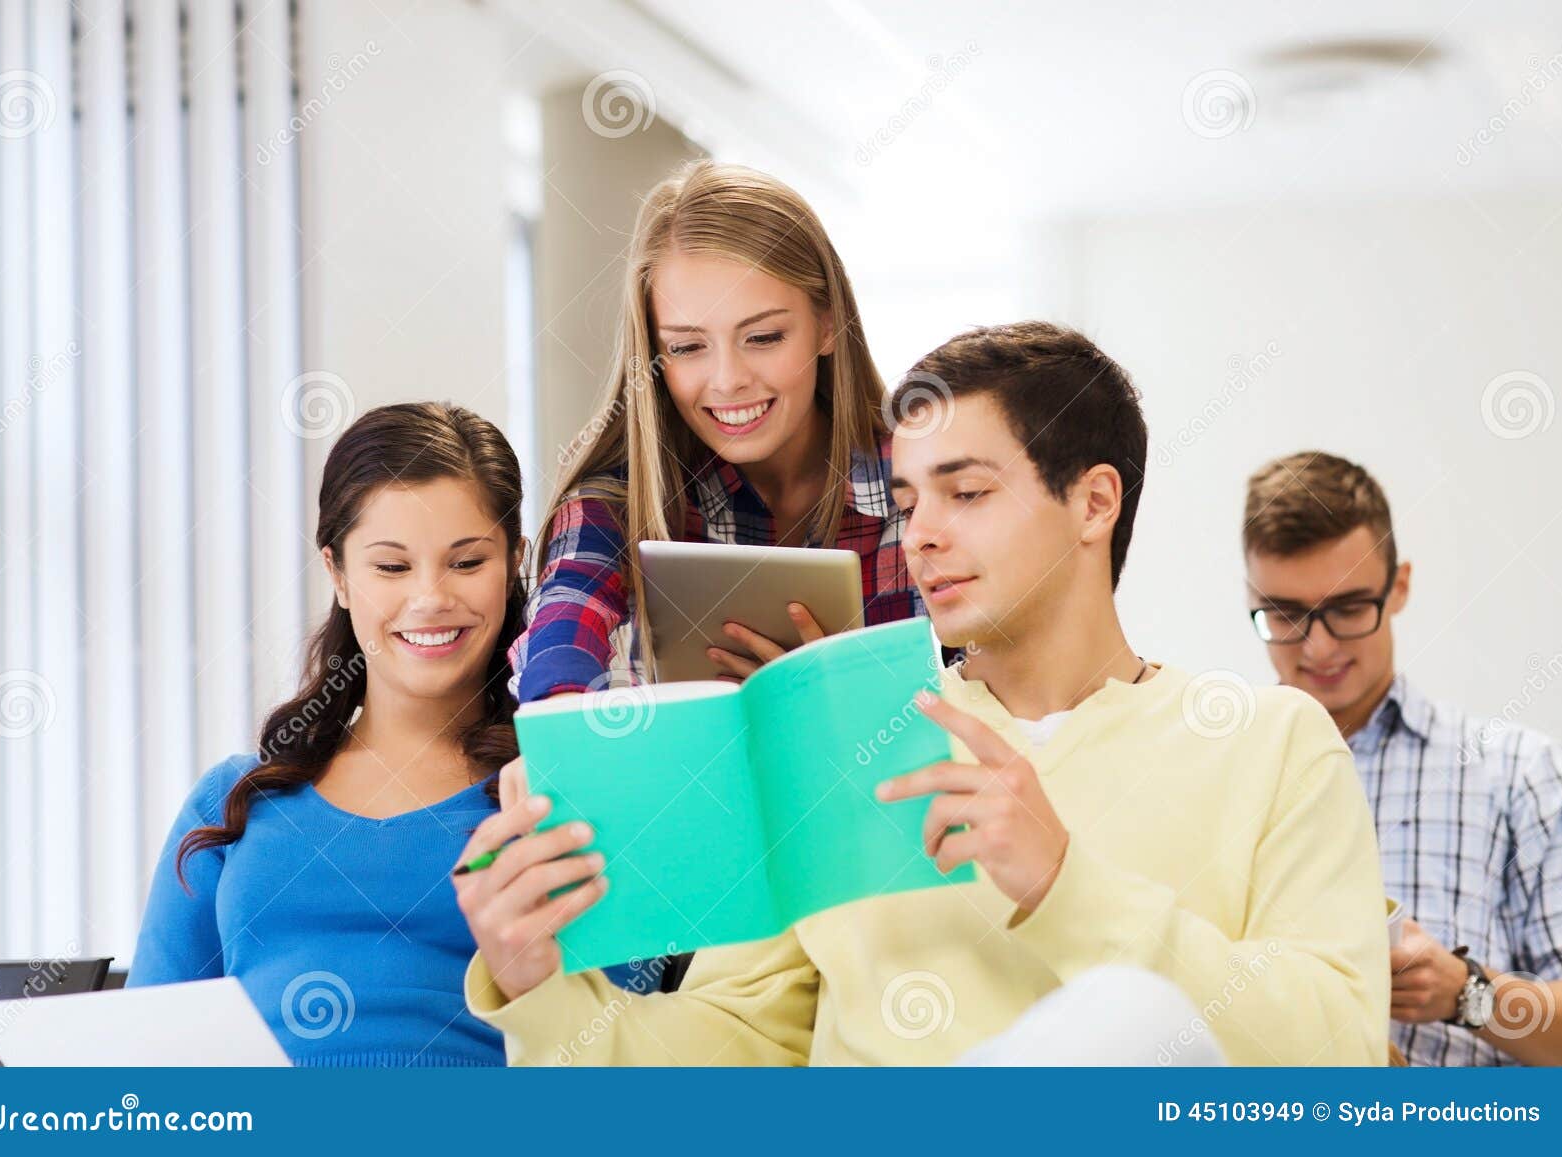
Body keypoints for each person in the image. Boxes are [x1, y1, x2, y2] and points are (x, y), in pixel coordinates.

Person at [452, 323, 1390, 1066]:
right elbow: (735, 1053)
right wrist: (541, 988)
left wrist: (1064, 884)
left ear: (1095, 502)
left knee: (1131, 1020)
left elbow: (1335, 1061)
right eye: (905, 502)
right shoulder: (848, 740)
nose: (921, 536)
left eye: (967, 493)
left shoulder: (1273, 742)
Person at [130, 402, 527, 1067]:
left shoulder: (553, 792)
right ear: (338, 574)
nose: (429, 597)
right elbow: (139, 1053)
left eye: (466, 561)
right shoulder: (233, 802)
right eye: (392, 567)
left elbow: (620, 1050)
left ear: (512, 562)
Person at [511, 159, 924, 705]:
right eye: (687, 347)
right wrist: (561, 725)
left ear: (828, 324)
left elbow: (990, 687)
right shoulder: (616, 502)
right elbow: (567, 618)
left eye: (764, 337)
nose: (728, 381)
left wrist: (838, 703)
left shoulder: (922, 480)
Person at [1244, 450, 1562, 1065]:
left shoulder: (1519, 774)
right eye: (1286, 614)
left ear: (1399, 586)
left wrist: (1470, 994)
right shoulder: (1218, 779)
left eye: (1347, 608)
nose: (1318, 647)